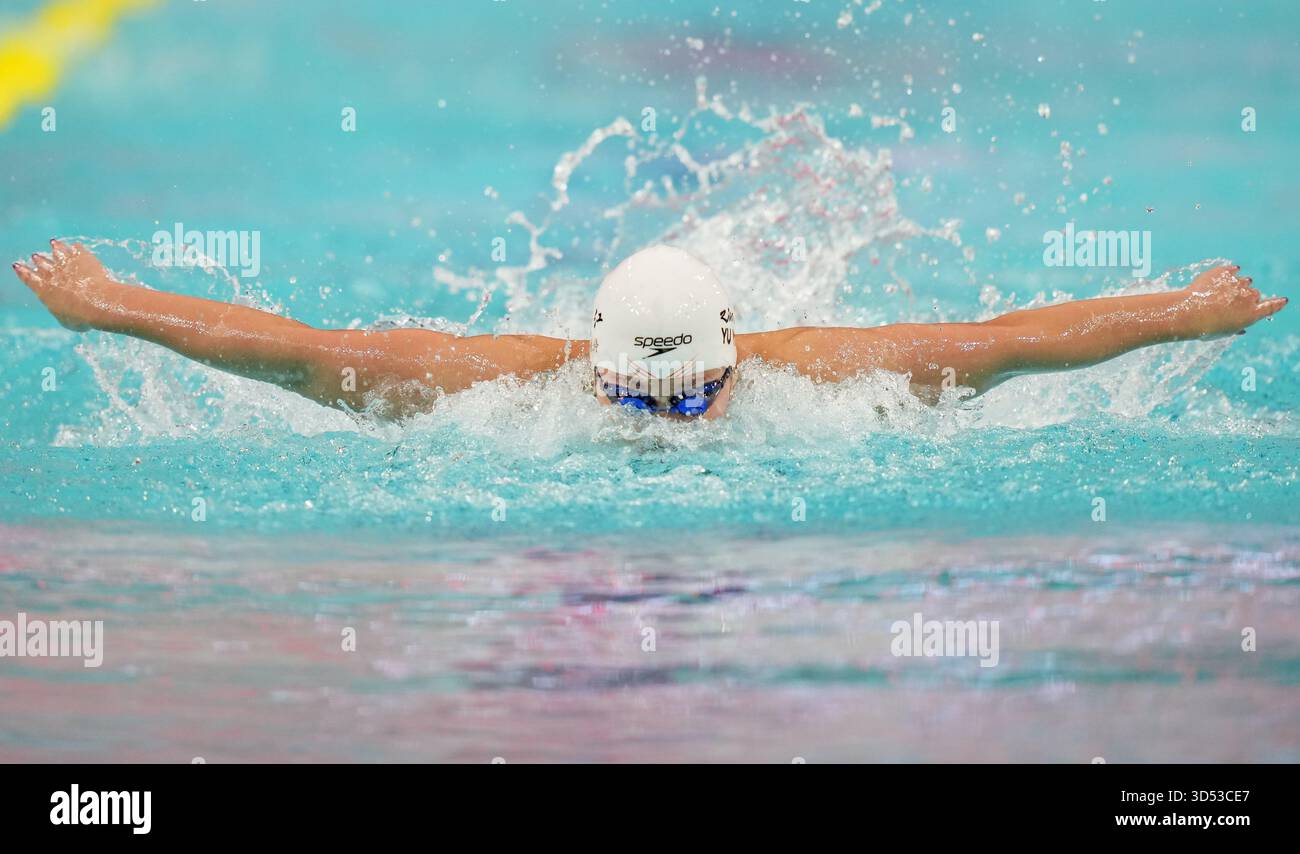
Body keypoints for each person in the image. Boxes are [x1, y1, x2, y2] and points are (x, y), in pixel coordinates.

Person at [12, 241, 1286, 421]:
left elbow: (1020, 334)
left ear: (737, 352)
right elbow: (287, 343)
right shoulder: (490, 392)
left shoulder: (833, 377)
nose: (671, 427)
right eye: (642, 402)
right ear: (594, 364)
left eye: (689, 398)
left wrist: (1180, 312)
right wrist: (108, 305)